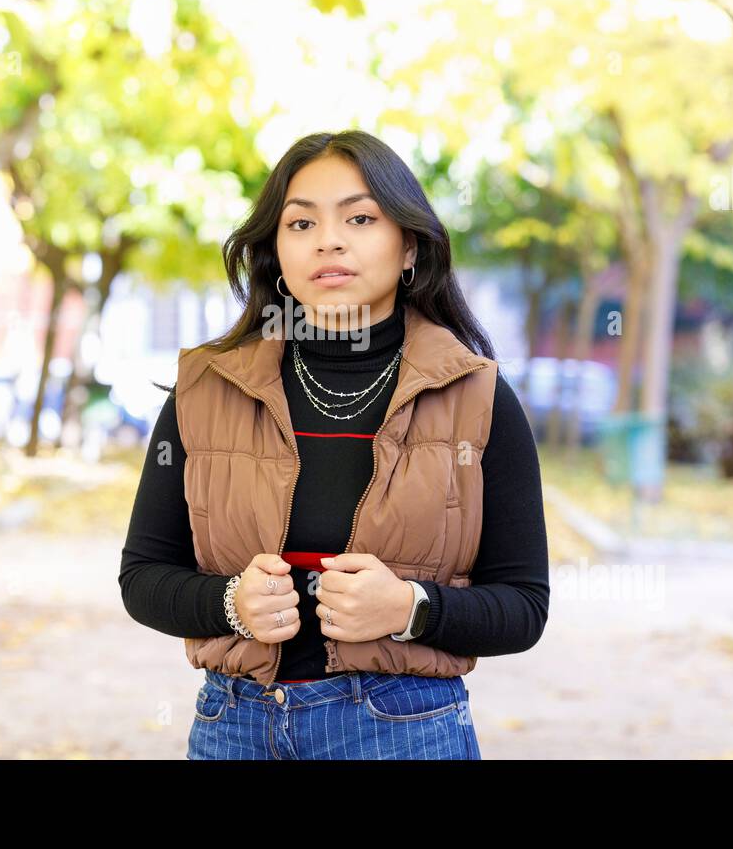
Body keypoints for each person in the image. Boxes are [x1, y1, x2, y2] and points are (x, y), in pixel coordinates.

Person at [119, 130, 550, 760]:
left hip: (404, 731)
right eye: (301, 223)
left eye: (361, 217)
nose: (329, 239)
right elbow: (143, 578)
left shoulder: (476, 397)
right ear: (275, 251)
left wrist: (410, 608)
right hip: (234, 729)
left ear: (409, 246)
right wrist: (229, 604)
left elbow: (524, 605)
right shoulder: (205, 392)